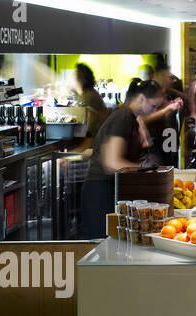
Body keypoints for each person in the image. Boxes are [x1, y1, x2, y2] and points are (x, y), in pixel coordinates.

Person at [79, 80, 167, 239]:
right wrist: (146, 171)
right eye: (153, 106)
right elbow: (112, 163)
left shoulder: (130, 118)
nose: (154, 111)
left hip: (108, 189)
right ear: (141, 99)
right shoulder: (123, 117)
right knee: (101, 247)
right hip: (101, 193)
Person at [143, 62, 186, 166]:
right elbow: (143, 119)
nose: (173, 80)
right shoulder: (148, 92)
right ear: (159, 75)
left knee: (171, 171)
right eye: (169, 77)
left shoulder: (168, 93)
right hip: (155, 143)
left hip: (169, 139)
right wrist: (167, 110)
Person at [72, 62, 108, 141]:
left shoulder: (88, 98)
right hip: (96, 139)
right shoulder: (88, 94)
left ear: (79, 80)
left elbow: (86, 132)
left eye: (73, 76)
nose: (71, 80)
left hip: (95, 141)